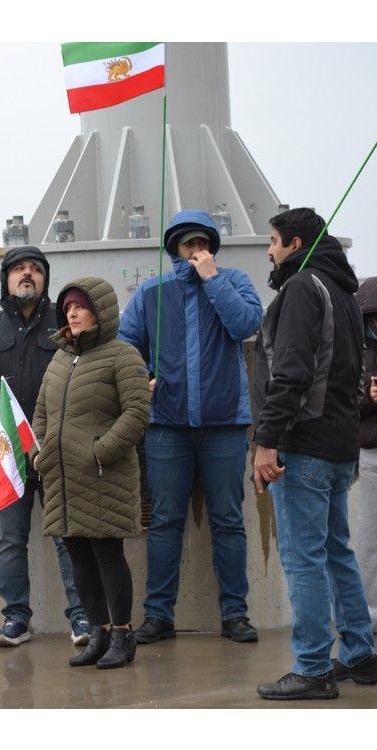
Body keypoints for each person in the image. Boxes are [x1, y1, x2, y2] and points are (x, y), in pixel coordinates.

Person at [118, 209, 262, 645]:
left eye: (204, 242)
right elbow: (125, 345)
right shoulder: (150, 292)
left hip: (225, 425)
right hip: (166, 424)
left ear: (213, 246)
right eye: (188, 244)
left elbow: (246, 324)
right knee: (164, 521)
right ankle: (158, 615)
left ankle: (235, 614)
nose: (197, 250)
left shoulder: (233, 282)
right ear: (174, 249)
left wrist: (213, 279)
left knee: (229, 520)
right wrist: (141, 374)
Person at [253, 207, 377, 699]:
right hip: (339, 448)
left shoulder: (304, 288)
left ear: (297, 244)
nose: (269, 250)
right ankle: (361, 655)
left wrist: (267, 440)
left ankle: (312, 667)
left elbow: (291, 373)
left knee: (303, 557)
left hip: (302, 446)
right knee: (335, 552)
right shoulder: (344, 294)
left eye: (275, 241)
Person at [0, 245, 90, 647]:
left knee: (68, 535)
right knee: (10, 539)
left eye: (35, 269)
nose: (27, 275)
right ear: (6, 279)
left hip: (57, 450)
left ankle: (82, 617)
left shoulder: (65, 324)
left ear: (45, 278)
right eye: (18, 269)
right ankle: (15, 618)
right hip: (7, 452)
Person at [33, 279, 150, 669]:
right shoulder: (60, 359)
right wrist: (41, 451)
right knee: (79, 558)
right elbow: (42, 414)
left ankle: (122, 634)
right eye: (67, 308)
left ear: (100, 311)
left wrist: (101, 451)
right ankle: (98, 632)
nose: (72, 313)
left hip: (103, 475)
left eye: (80, 307)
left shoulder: (123, 356)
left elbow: (137, 414)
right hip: (63, 478)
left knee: (108, 555)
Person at [354, 276, 377, 635]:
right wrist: (367, 398)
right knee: (368, 540)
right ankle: (368, 619)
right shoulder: (355, 350)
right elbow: (339, 404)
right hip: (370, 453)